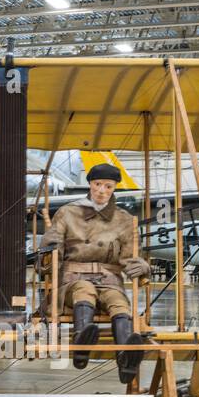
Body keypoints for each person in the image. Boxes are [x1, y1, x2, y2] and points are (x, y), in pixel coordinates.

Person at [41, 162, 151, 381]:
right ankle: (81, 344)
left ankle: (126, 358)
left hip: (109, 280)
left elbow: (129, 258)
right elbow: (51, 250)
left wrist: (143, 266)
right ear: (90, 184)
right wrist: (49, 250)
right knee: (84, 291)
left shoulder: (125, 220)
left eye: (108, 186)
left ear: (114, 188)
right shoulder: (68, 213)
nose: (102, 191)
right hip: (74, 279)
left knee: (118, 302)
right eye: (98, 184)